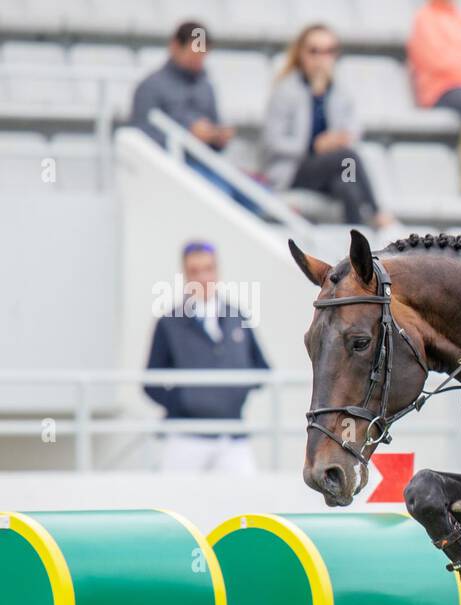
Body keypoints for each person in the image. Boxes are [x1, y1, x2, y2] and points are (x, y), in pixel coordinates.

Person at [144, 241, 269, 474]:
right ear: (185, 275)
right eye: (195, 271)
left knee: (247, 501)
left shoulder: (236, 315)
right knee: (175, 502)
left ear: (217, 271)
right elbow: (150, 382)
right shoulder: (169, 323)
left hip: (233, 435)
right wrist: (184, 401)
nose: (203, 278)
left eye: (208, 269)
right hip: (186, 436)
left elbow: (261, 368)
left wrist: (233, 394)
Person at [261, 24, 395, 228]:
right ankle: (377, 212)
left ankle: (354, 249)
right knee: (347, 156)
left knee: (349, 186)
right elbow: (273, 142)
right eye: (314, 51)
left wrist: (337, 139)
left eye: (328, 51)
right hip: (295, 170)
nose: (321, 58)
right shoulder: (285, 90)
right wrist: (312, 146)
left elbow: (353, 131)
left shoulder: (339, 92)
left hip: (331, 171)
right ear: (301, 54)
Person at [130, 21, 251, 205]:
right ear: (175, 46)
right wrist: (187, 136)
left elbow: (214, 131)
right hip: (172, 169)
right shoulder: (150, 87)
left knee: (250, 195)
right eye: (194, 53)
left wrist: (217, 136)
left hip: (206, 164)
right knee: (220, 194)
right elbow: (141, 137)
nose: (199, 60)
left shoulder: (206, 87)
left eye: (203, 54)